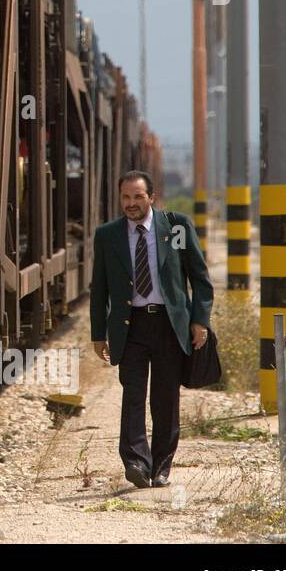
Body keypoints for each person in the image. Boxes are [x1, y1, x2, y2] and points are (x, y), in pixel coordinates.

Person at [90, 169, 213, 488]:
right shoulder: (107, 235)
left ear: (152, 197)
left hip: (170, 325)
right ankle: (135, 462)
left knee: (165, 398)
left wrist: (199, 320)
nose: (131, 203)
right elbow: (99, 288)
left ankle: (161, 465)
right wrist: (97, 334)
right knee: (133, 394)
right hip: (130, 327)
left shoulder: (176, 227)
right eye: (125, 197)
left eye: (137, 197)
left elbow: (199, 277)